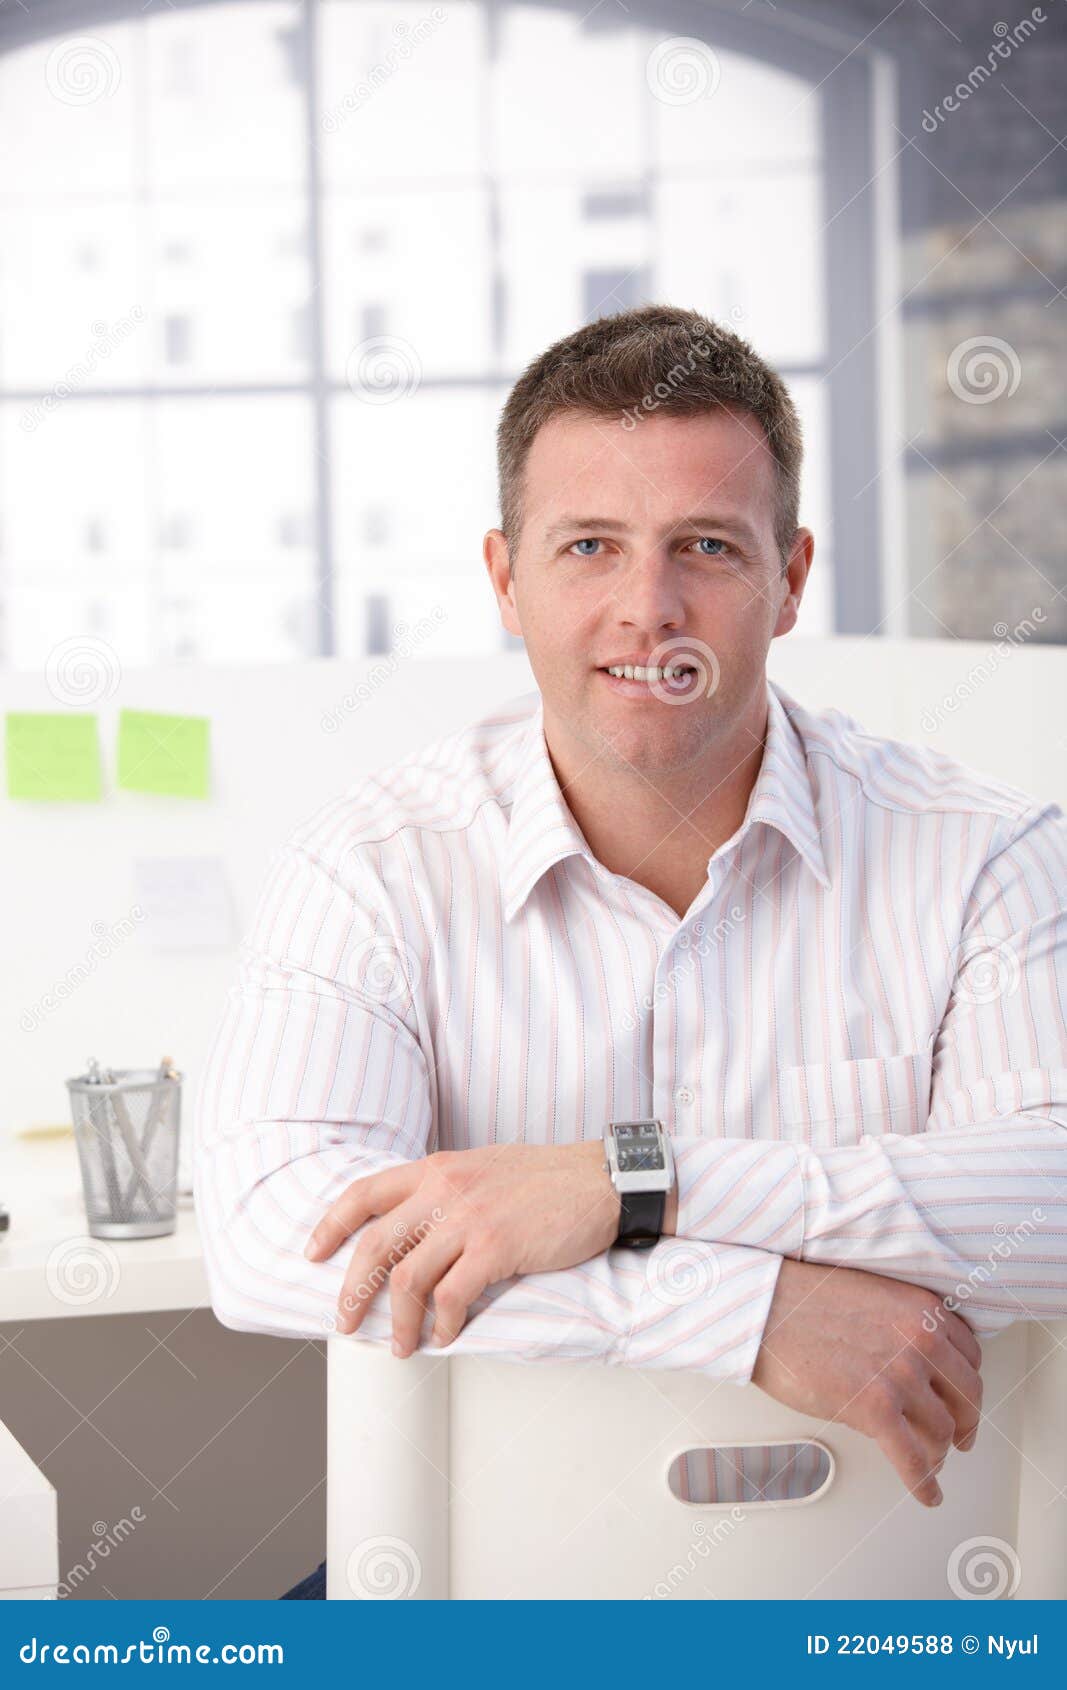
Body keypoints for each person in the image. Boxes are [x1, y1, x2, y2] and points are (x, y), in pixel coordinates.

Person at [194, 305, 1067, 1600]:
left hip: (883, 1607)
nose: (646, 610)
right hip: (489, 1603)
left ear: (791, 576)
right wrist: (749, 1313)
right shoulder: (372, 867)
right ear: (506, 577)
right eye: (589, 545)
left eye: (705, 547)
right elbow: (273, 1240)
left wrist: (629, 1184)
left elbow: (1051, 1199)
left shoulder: (985, 854)